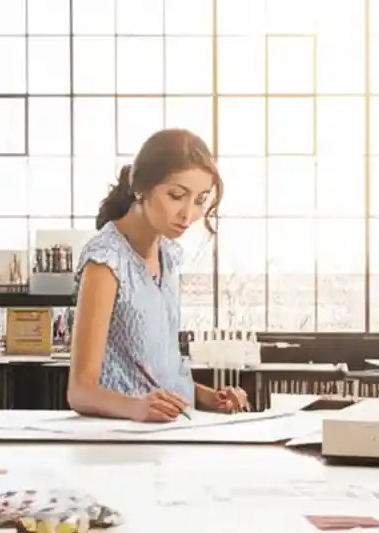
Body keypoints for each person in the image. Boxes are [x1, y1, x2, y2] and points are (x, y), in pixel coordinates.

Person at [67, 129, 250, 422]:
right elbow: (80, 391)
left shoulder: (169, 254)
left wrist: (208, 396)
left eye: (200, 199)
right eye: (177, 196)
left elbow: (158, 372)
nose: (188, 214)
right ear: (142, 188)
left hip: (170, 432)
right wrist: (137, 407)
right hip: (120, 438)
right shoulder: (106, 260)